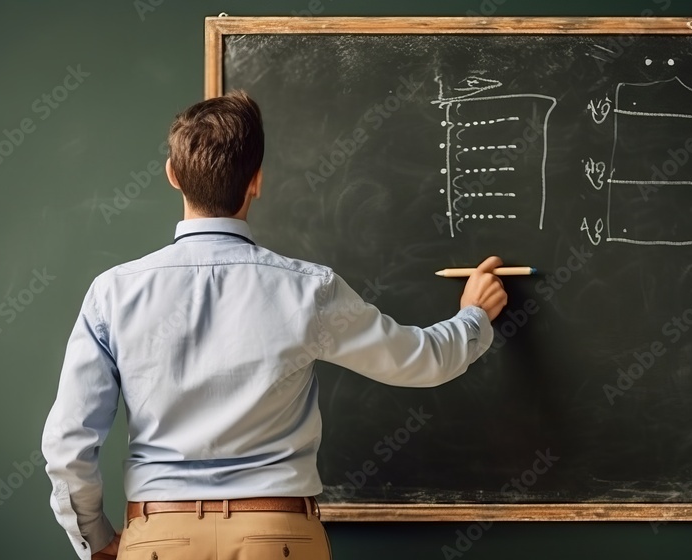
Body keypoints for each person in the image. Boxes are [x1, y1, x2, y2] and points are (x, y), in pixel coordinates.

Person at [41, 91, 508, 560]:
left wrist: (94, 540)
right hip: (279, 538)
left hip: (159, 537)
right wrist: (474, 313)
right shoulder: (308, 289)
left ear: (172, 175)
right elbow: (420, 362)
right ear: (257, 181)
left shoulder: (114, 293)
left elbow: (68, 444)